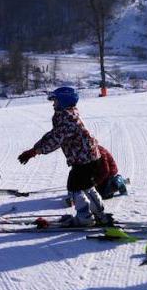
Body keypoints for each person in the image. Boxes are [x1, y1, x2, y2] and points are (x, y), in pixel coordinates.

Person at [17, 87, 112, 227]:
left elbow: (55, 140)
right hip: (89, 158)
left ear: (63, 101)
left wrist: (35, 152)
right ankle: (99, 214)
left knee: (74, 187)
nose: (53, 104)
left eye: (55, 100)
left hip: (83, 160)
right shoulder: (69, 115)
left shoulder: (66, 119)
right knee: (87, 186)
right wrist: (34, 149)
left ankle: (84, 217)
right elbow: (52, 134)